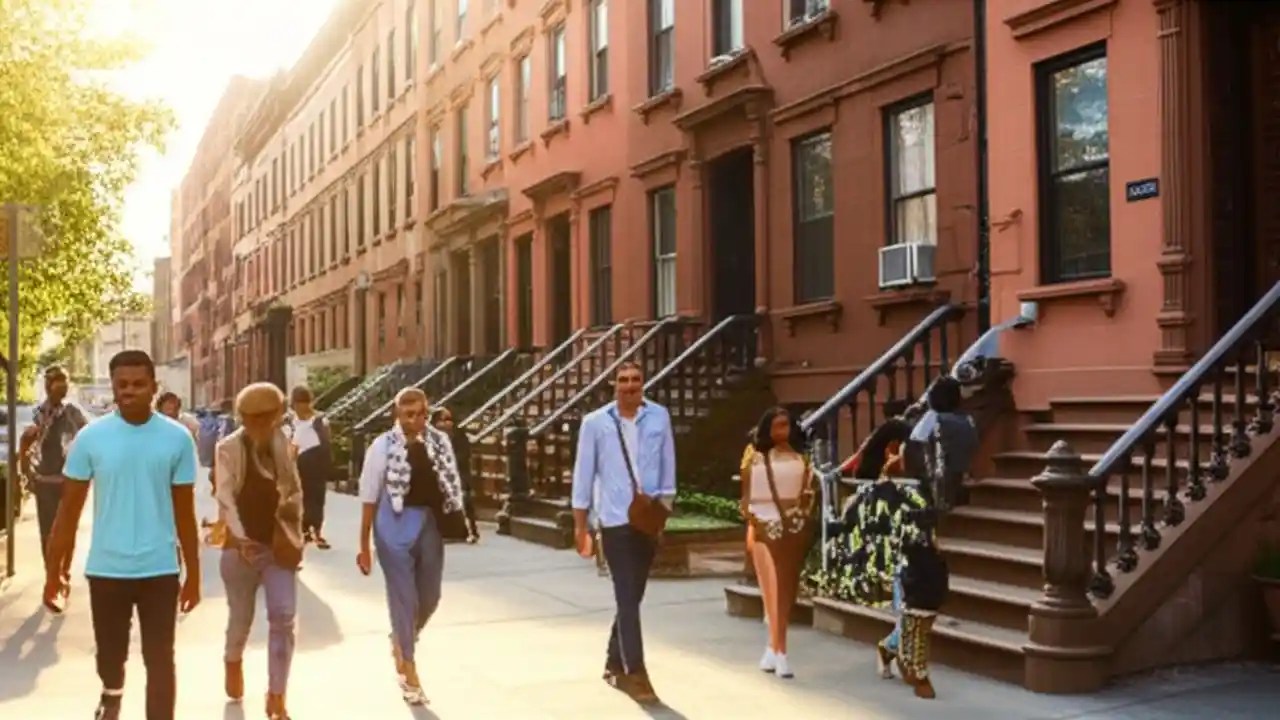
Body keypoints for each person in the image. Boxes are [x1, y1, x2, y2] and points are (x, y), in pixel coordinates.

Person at [42, 350, 201, 720]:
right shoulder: (91, 439)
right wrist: (54, 574)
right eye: (122, 384)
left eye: (138, 384)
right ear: (113, 386)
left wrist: (194, 573)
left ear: (153, 386)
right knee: (110, 655)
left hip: (159, 569)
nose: (129, 391)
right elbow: (68, 514)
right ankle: (111, 694)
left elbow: (185, 514)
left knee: (161, 658)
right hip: (107, 568)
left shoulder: (177, 439)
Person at [570, 361, 676, 705]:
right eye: (623, 380)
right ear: (613, 385)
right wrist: (580, 525)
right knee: (626, 596)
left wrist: (665, 512)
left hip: (647, 519)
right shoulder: (596, 424)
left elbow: (668, 466)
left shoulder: (659, 417)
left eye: (636, 379)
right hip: (614, 522)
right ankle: (636, 672)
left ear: (643, 383)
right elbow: (583, 476)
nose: (630, 386)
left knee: (633, 597)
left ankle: (613, 661)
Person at [356, 387, 469, 706]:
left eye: (421, 413)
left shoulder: (439, 441)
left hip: (427, 525)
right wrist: (363, 544)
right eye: (409, 414)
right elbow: (368, 496)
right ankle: (407, 668)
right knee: (403, 598)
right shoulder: (382, 447)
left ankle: (402, 637)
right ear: (397, 415)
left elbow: (450, 482)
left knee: (430, 597)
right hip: (392, 524)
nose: (416, 420)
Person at [214, 382, 304, 720]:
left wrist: (296, 535)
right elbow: (225, 498)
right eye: (253, 418)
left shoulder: (286, 446)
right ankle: (232, 659)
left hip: (278, 548)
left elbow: (295, 493)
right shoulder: (228, 449)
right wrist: (241, 539)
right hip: (240, 549)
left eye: (267, 417)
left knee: (283, 618)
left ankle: (277, 695)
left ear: (278, 416)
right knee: (241, 619)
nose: (260, 425)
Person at [740, 407, 814, 679]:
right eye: (776, 426)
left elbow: (808, 495)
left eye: (786, 425)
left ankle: (774, 647)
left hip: (792, 527)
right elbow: (746, 498)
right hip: (763, 525)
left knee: (787, 590)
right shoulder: (754, 457)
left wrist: (800, 517)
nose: (782, 431)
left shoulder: (801, 457)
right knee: (771, 589)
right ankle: (780, 650)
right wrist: (755, 522)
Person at [19, 365, 89, 599]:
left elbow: (88, 438)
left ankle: (64, 572)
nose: (62, 388)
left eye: (65, 383)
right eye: (57, 383)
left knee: (67, 528)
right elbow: (27, 446)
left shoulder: (73, 413)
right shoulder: (39, 413)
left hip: (70, 480)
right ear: (48, 386)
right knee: (47, 531)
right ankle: (51, 572)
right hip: (45, 480)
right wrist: (26, 472)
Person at [282, 385, 334, 549]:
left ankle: (317, 531)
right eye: (297, 404)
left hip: (316, 460)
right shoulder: (291, 421)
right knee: (301, 497)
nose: (300, 408)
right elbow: (290, 443)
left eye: (304, 403)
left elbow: (327, 440)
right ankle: (304, 531)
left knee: (317, 497)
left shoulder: (319, 420)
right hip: (299, 461)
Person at [430, 405, 480, 543]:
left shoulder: (459, 436)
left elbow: (463, 455)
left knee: (465, 499)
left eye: (449, 420)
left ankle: (471, 530)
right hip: (438, 476)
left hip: (459, 474)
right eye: (443, 420)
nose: (447, 423)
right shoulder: (431, 438)